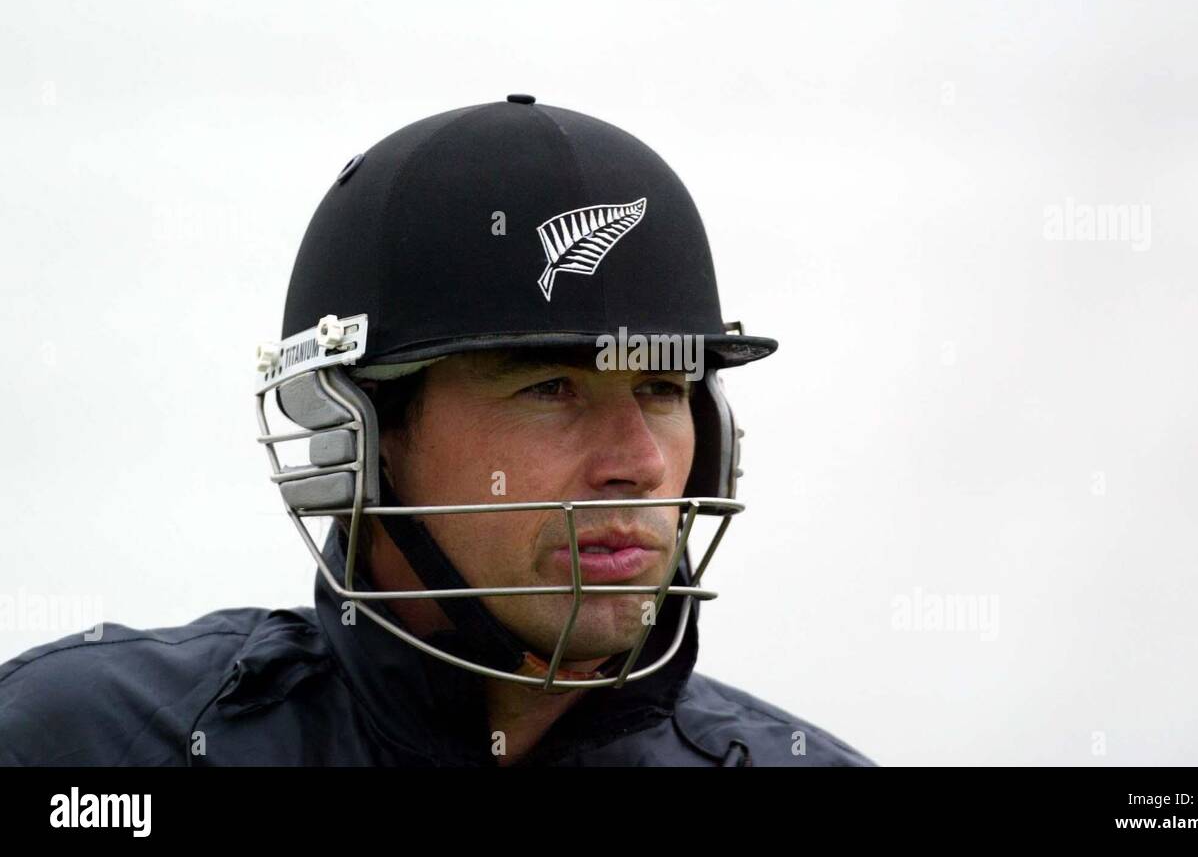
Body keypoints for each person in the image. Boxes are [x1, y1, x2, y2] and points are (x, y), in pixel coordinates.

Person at [0, 96, 874, 767]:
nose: (639, 466)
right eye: (548, 387)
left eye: (659, 388)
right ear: (367, 443)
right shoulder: (80, 748)